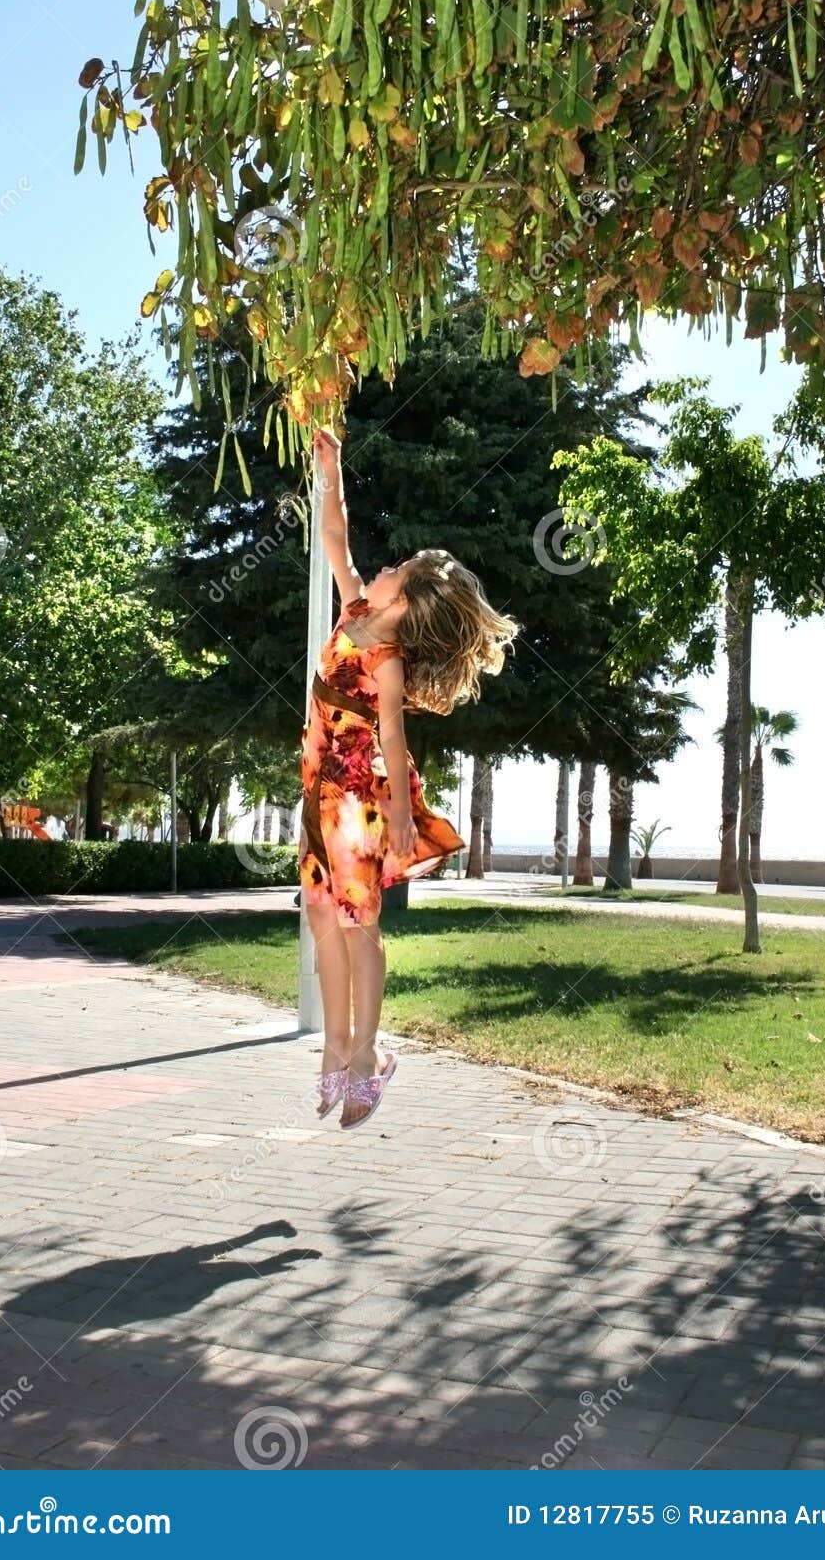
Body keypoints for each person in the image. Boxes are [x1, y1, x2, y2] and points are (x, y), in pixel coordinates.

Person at [301, 427, 518, 1130]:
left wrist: (397, 818)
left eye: (396, 568)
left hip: (357, 800)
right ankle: (337, 1045)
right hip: (318, 791)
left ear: (406, 594)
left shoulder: (387, 657)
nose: (384, 567)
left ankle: (367, 1055)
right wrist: (331, 472)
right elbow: (335, 537)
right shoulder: (356, 609)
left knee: (357, 925)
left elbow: (392, 737)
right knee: (319, 916)